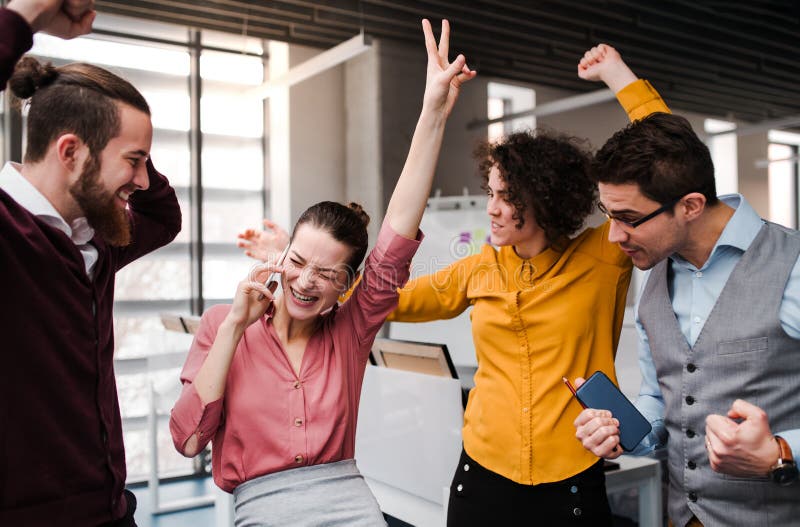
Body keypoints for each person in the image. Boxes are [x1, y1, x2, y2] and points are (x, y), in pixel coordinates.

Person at [236, 44, 669, 526]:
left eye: (508, 197)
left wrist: (617, 75)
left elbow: (668, 154)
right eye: (491, 192)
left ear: (545, 200)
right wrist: (301, 266)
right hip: (482, 475)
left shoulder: (603, 257)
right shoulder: (480, 268)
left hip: (570, 477)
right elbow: (383, 301)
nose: (492, 208)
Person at [169, 19, 475, 526]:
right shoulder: (223, 325)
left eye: (327, 274)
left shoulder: (351, 330)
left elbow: (399, 230)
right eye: (297, 262)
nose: (307, 281)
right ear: (281, 256)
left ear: (346, 284)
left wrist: (433, 113)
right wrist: (231, 329)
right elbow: (189, 440)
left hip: (348, 501)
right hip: (261, 506)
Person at [573, 101, 800, 524]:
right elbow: (661, 398)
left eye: (628, 218)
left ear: (691, 206)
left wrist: (783, 450)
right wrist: (625, 430)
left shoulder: (792, 265)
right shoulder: (654, 274)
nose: (613, 235)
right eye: (609, 215)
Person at [0, 2, 182, 525]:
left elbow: (163, 216)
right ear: (71, 151)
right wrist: (23, 18)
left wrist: (129, 147)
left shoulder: (99, 237)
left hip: (109, 510)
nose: (143, 180)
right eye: (133, 161)